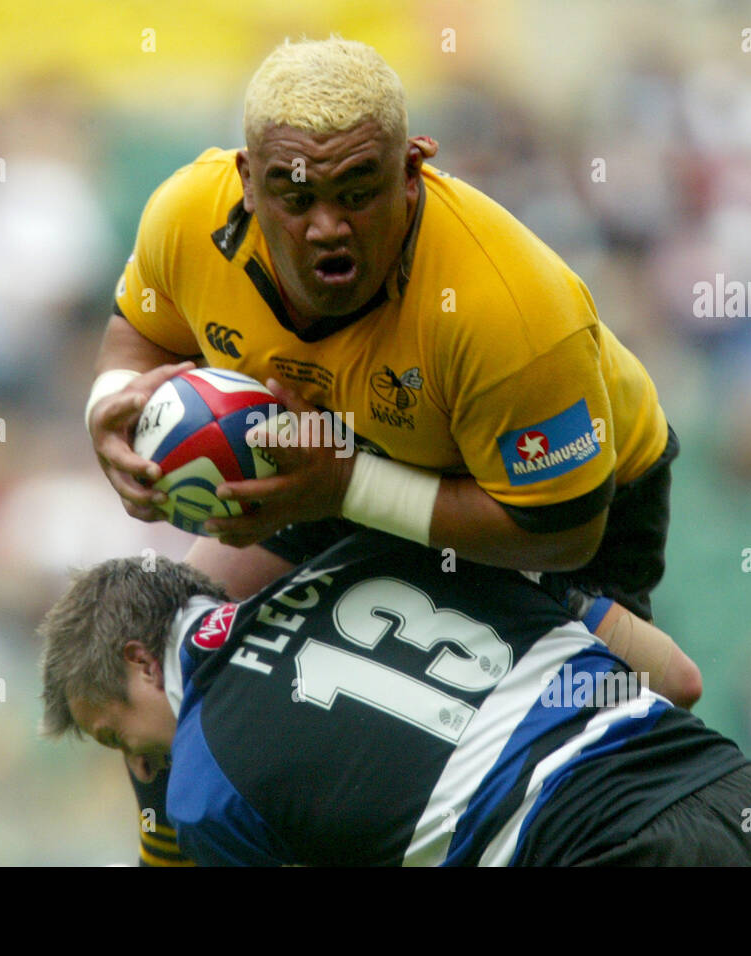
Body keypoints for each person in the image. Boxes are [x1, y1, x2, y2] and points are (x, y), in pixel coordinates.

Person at [85, 36, 696, 863]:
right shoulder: (188, 217)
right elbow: (141, 332)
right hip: (329, 464)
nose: (327, 226)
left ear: (414, 170)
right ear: (246, 180)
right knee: (171, 636)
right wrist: (109, 407)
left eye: (358, 191)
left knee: (521, 749)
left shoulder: (508, 311)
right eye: (293, 197)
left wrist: (347, 492)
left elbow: (563, 532)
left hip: (529, 500)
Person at [38, 531, 751, 866]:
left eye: (117, 737)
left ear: (143, 661)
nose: (141, 762)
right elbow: (678, 679)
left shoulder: (205, 792)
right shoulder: (376, 546)